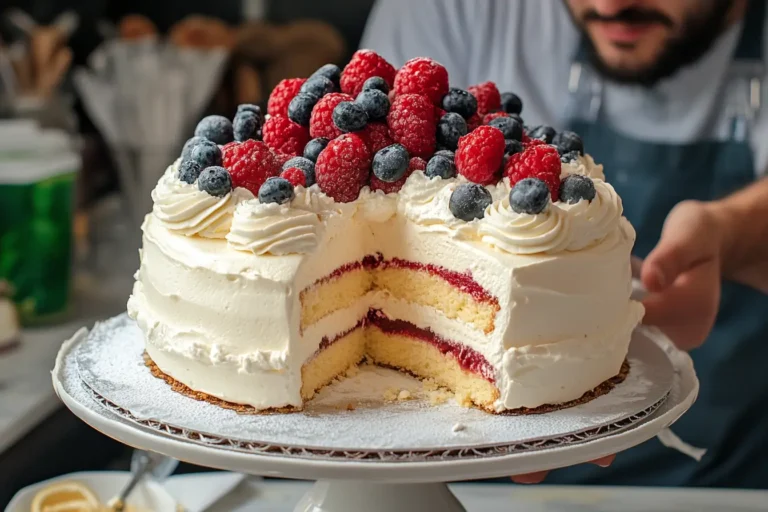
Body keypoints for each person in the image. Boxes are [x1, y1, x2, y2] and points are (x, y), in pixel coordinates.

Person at [362, 0, 768, 488]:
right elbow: (372, 146)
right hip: (460, 473)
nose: (610, 5)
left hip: (714, 480)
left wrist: (734, 231)